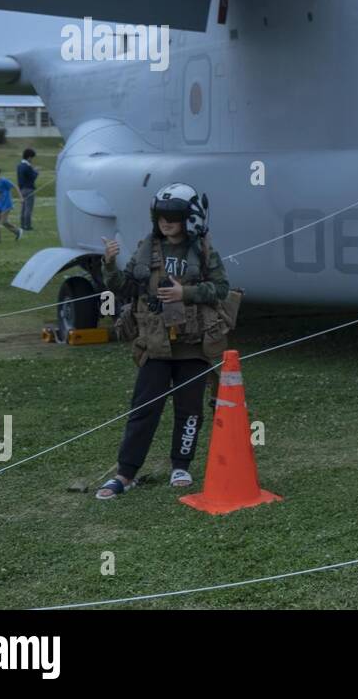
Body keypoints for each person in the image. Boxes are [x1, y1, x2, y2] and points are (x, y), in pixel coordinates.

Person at [95, 183, 231, 500]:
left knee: (190, 410)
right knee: (143, 409)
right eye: (161, 216)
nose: (165, 222)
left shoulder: (205, 251)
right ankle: (125, 473)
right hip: (155, 344)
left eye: (173, 216)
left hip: (193, 344)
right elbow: (125, 287)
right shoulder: (146, 248)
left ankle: (180, 465)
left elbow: (222, 288)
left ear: (189, 218)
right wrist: (109, 263)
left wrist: (187, 294)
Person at [0, 167, 22, 242]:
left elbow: (15, 187)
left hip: (7, 204)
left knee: (4, 222)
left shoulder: (4, 181)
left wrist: (21, 198)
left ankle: (17, 231)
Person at [17, 148, 39, 231]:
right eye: (32, 158)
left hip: (22, 189)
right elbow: (32, 178)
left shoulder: (19, 166)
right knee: (28, 209)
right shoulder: (27, 166)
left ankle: (22, 225)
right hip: (29, 189)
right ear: (29, 157)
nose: (32, 160)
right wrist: (36, 172)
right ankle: (27, 226)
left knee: (23, 208)